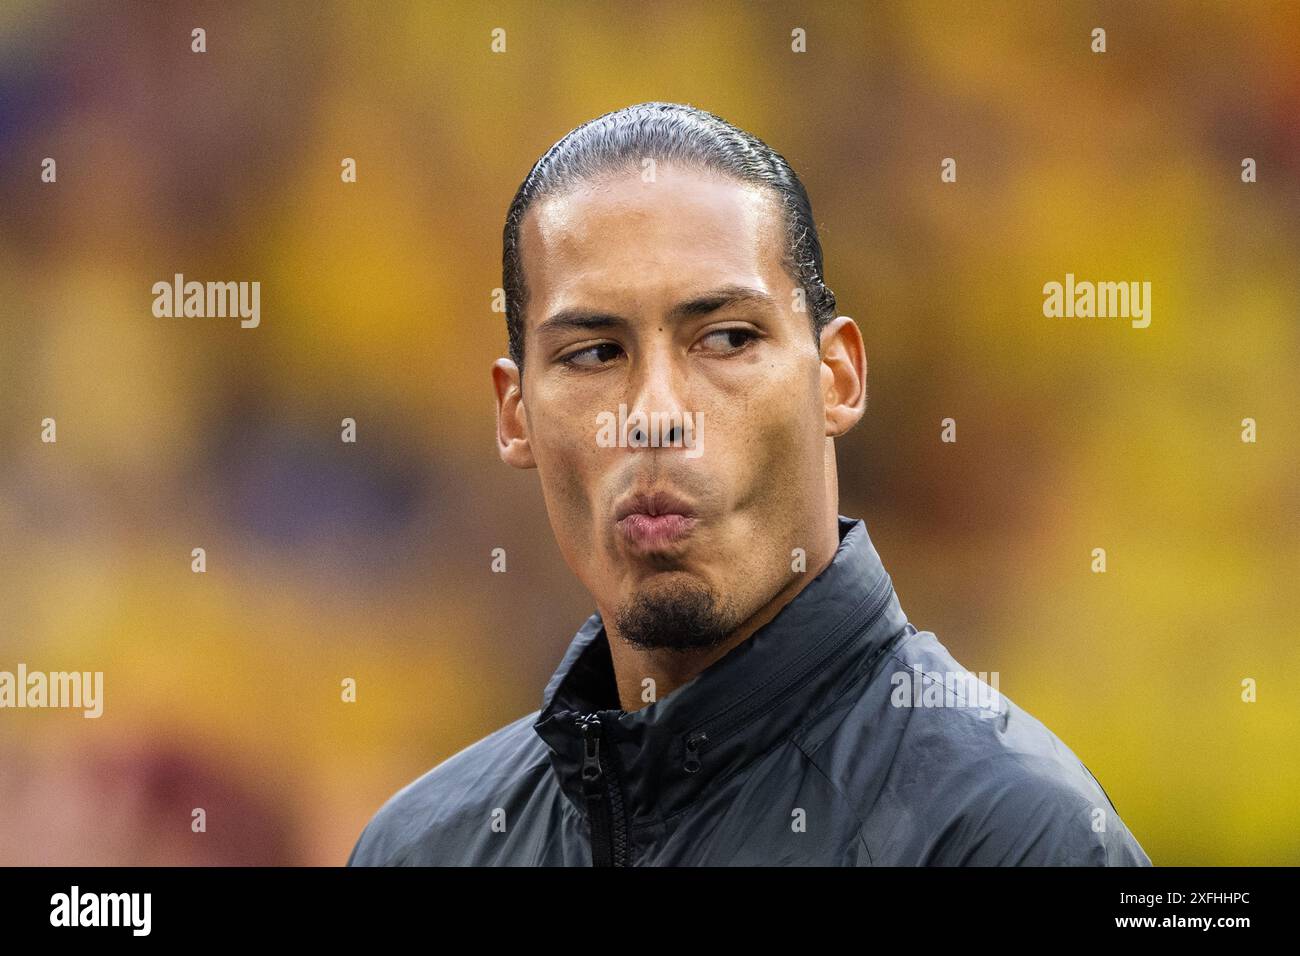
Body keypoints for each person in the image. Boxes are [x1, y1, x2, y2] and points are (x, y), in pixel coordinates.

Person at [348, 102, 1151, 866]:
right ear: (515, 413)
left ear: (836, 378)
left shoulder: (1014, 835)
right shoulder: (426, 846)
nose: (657, 418)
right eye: (593, 353)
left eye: (727, 338)